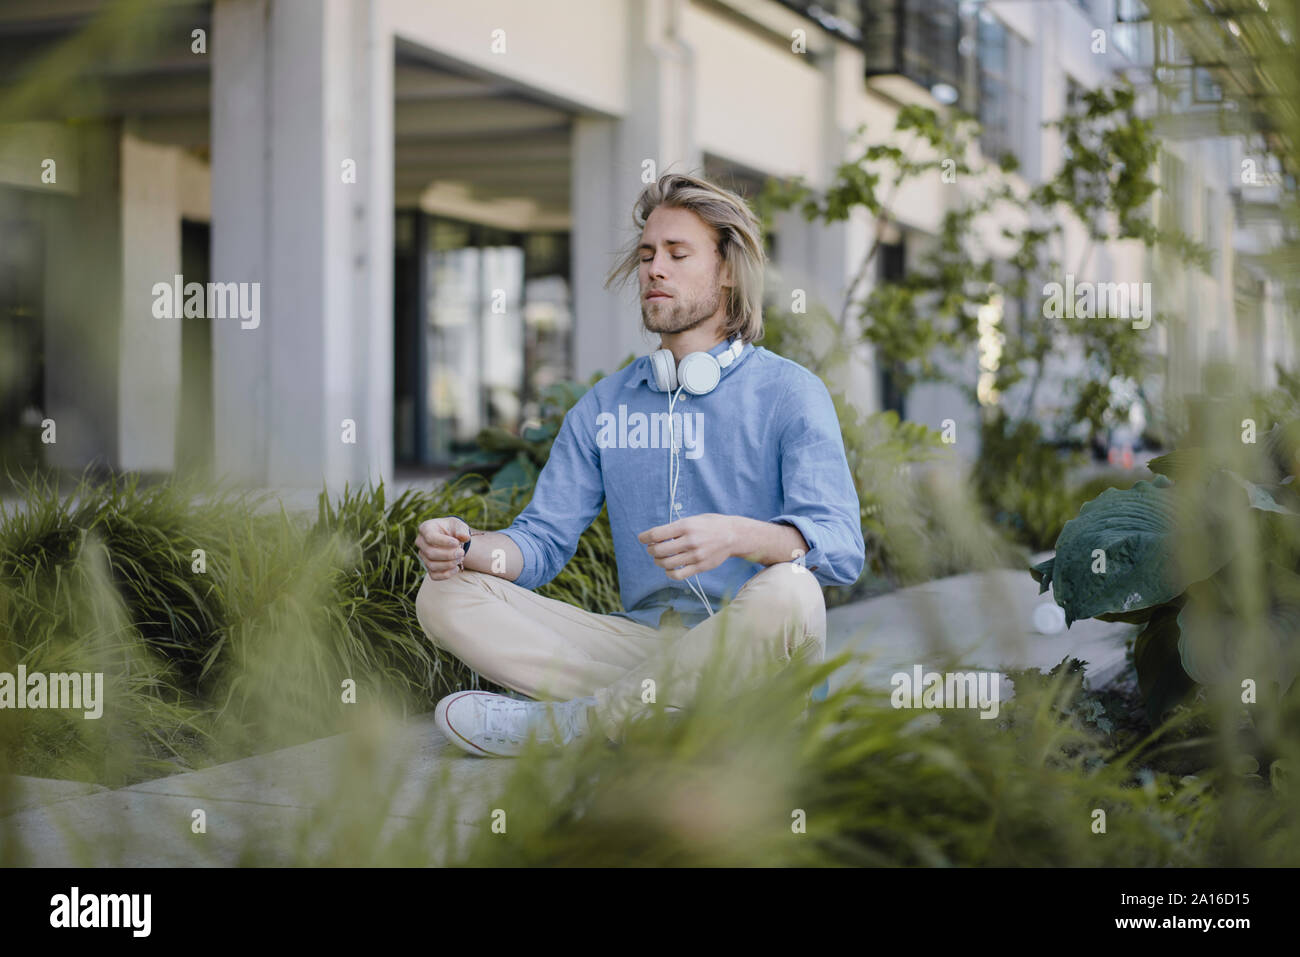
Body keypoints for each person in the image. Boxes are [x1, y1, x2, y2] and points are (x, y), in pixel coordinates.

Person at [413, 172, 865, 757]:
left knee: (792, 591)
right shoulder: (605, 405)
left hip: (758, 650)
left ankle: (572, 725)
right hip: (643, 648)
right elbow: (541, 542)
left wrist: (737, 536)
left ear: (728, 270)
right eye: (648, 254)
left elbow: (842, 548)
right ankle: (664, 716)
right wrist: (468, 549)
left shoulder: (790, 392)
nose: (654, 269)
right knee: (445, 595)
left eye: (678, 254)